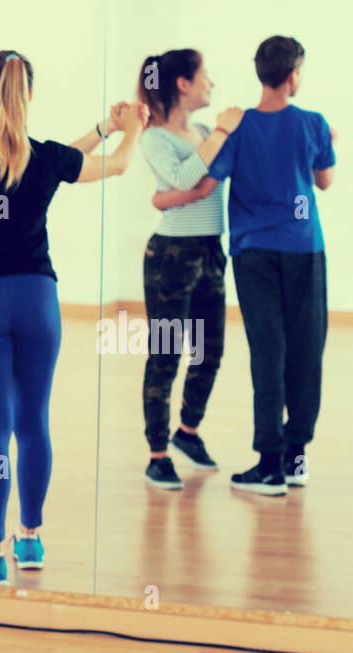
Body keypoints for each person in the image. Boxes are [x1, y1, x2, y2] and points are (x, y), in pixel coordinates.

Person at [0, 50, 142, 585]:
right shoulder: (44, 157)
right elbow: (115, 163)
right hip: (38, 299)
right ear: (28, 95)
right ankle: (30, 540)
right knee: (33, 422)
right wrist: (126, 129)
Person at [200, 36, 335, 496]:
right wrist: (321, 143)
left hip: (254, 253)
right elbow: (325, 181)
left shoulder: (239, 127)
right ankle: (296, 457)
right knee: (305, 351)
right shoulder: (313, 123)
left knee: (268, 353)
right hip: (304, 250)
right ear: (293, 74)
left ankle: (269, 464)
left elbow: (210, 179)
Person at [135, 49, 240, 490]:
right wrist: (219, 135)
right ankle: (157, 455)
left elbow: (200, 182)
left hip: (210, 251)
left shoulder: (199, 131)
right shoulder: (155, 137)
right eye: (205, 76)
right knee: (166, 355)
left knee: (209, 352)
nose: (211, 84)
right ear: (182, 83)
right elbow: (183, 179)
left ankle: (188, 432)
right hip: (171, 256)